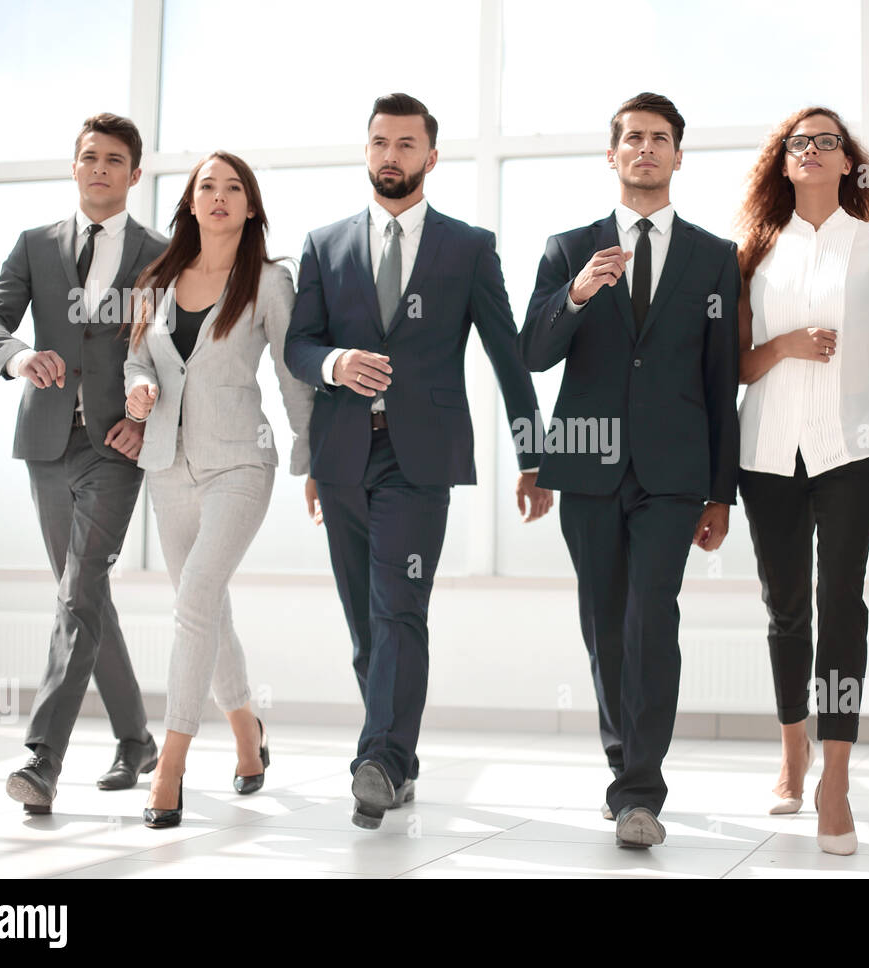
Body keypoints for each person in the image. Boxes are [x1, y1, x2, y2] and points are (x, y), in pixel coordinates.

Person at [285, 93, 551, 831]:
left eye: (406, 144)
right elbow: (298, 346)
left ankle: (378, 760)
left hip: (420, 461)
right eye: (380, 142)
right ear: (365, 151)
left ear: (431, 157)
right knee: (366, 627)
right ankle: (397, 757)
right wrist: (335, 361)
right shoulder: (323, 243)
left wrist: (536, 452)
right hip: (341, 457)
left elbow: (507, 357)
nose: (391, 155)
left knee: (398, 607)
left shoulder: (467, 248)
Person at [519, 93, 740, 848]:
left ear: (679, 156)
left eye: (660, 139)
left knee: (653, 615)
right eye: (633, 138)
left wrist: (722, 490)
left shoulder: (715, 257)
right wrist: (578, 292)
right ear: (612, 156)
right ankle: (625, 770)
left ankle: (640, 791)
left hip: (675, 473)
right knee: (605, 626)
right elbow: (531, 353)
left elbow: (721, 379)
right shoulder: (565, 247)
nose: (646, 148)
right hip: (584, 464)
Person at [735, 107, 869, 854]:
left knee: (840, 602)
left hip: (853, 449)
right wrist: (784, 343)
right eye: (799, 143)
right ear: (783, 163)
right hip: (768, 451)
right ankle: (794, 754)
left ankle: (837, 778)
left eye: (828, 142)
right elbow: (733, 366)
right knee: (786, 608)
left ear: (849, 161)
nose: (813, 150)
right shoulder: (751, 253)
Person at [0, 113, 166, 813]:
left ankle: (42, 757)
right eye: (89, 157)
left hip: (117, 445)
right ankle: (137, 738)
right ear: (74, 166)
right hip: (46, 445)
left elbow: (175, 357)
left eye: (115, 159)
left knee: (79, 591)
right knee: (82, 594)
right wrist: (19, 356)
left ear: (135, 174)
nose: (100, 168)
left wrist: (150, 422)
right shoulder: (34, 246)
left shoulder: (160, 254)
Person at [124, 151, 314, 828]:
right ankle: (246, 733)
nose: (221, 196)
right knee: (207, 611)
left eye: (235, 187)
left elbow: (294, 374)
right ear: (191, 203)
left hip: (241, 463)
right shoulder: (157, 281)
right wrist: (137, 388)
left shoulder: (267, 281)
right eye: (209, 186)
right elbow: (137, 358)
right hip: (168, 466)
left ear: (251, 206)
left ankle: (170, 763)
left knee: (193, 605)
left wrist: (310, 456)